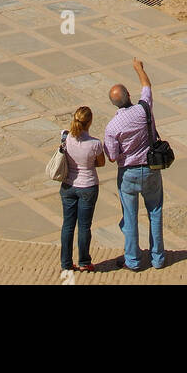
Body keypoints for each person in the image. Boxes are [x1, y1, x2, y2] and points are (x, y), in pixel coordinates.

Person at [103, 58, 164, 272]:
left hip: (128, 173)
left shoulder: (112, 127)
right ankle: (157, 258)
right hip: (151, 169)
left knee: (130, 217)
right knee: (155, 212)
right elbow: (147, 87)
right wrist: (139, 68)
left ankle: (133, 260)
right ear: (129, 96)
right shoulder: (144, 110)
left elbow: (112, 156)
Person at [59, 106, 105, 277]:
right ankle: (84, 262)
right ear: (90, 122)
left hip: (68, 186)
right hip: (88, 186)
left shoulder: (65, 137)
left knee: (68, 225)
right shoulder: (95, 144)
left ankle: (66, 263)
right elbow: (101, 163)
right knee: (84, 226)